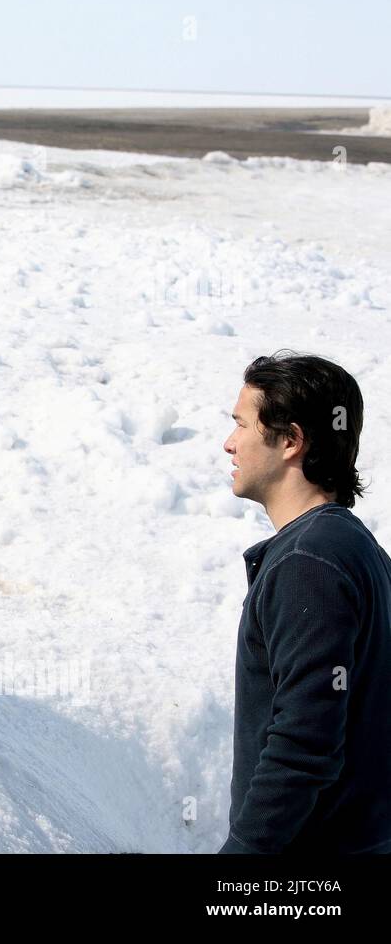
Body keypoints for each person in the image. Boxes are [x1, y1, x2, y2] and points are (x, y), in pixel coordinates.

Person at [219, 351, 390, 853]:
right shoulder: (355, 550)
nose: (230, 444)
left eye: (241, 425)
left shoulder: (309, 564)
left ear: (291, 440)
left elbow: (305, 746)